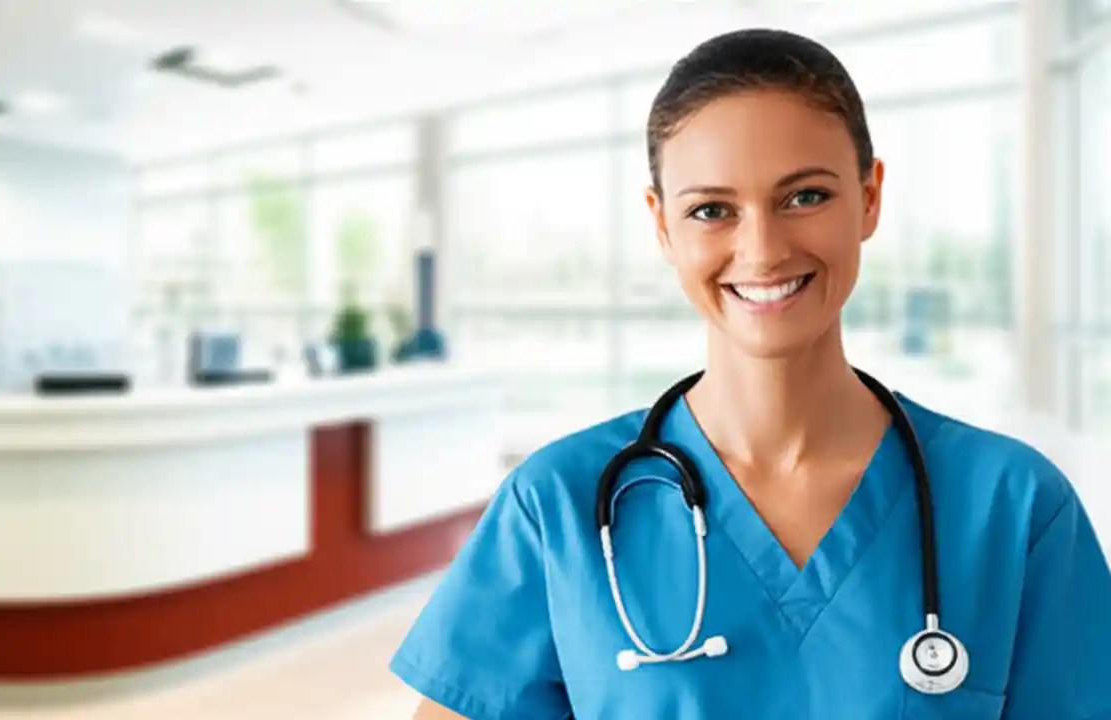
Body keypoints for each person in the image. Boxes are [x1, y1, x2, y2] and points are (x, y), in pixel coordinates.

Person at [390, 28, 1111, 719]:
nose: (762, 251)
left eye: (806, 196)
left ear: (869, 196)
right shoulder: (556, 507)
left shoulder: (1012, 507)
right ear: (662, 225)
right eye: (711, 209)